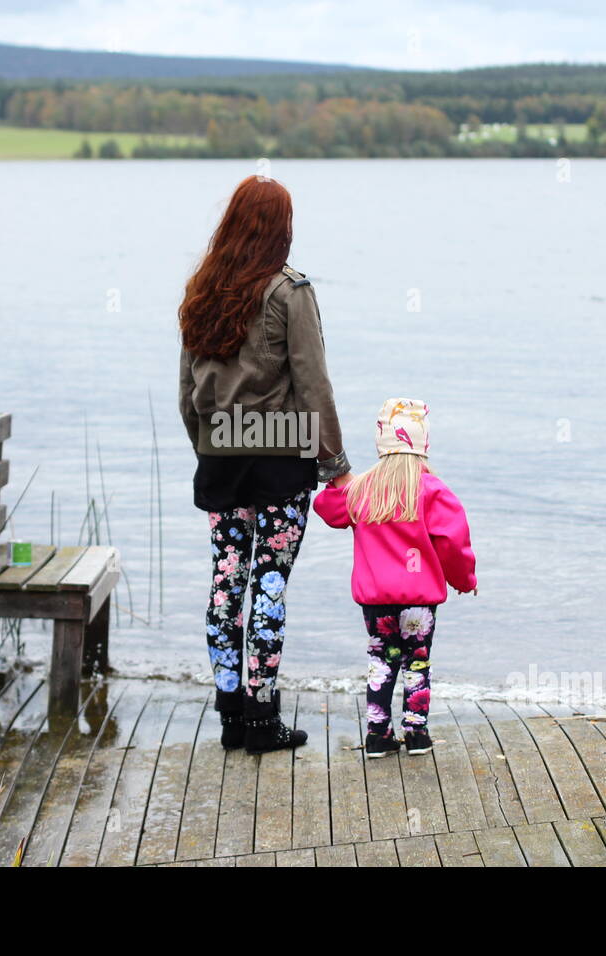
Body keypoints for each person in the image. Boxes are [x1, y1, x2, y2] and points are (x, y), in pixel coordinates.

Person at [178, 175, 351, 755]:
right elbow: (314, 384)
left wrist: (207, 446)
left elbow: (187, 392)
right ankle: (263, 720)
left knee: (227, 584)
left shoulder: (202, 289)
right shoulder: (289, 292)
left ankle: (230, 718)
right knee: (269, 589)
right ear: (281, 228)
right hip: (281, 457)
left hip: (220, 454)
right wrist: (336, 464)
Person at [314, 398, 476, 757]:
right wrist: (464, 580)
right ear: (423, 444)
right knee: (417, 660)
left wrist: (338, 481)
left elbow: (328, 510)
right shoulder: (433, 490)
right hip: (420, 600)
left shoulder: (362, 489)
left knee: (381, 659)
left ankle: (377, 735)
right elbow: (454, 542)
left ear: (380, 443)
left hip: (376, 599)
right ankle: (416, 733)